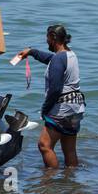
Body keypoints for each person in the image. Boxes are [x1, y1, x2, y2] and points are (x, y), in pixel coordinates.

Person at [17, 24, 83, 169]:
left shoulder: (59, 59)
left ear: (53, 37)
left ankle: (51, 179)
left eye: (47, 38)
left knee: (44, 145)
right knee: (69, 149)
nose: (46, 41)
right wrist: (32, 52)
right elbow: (51, 59)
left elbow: (55, 89)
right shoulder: (69, 54)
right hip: (76, 108)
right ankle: (70, 179)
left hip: (62, 109)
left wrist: (45, 109)